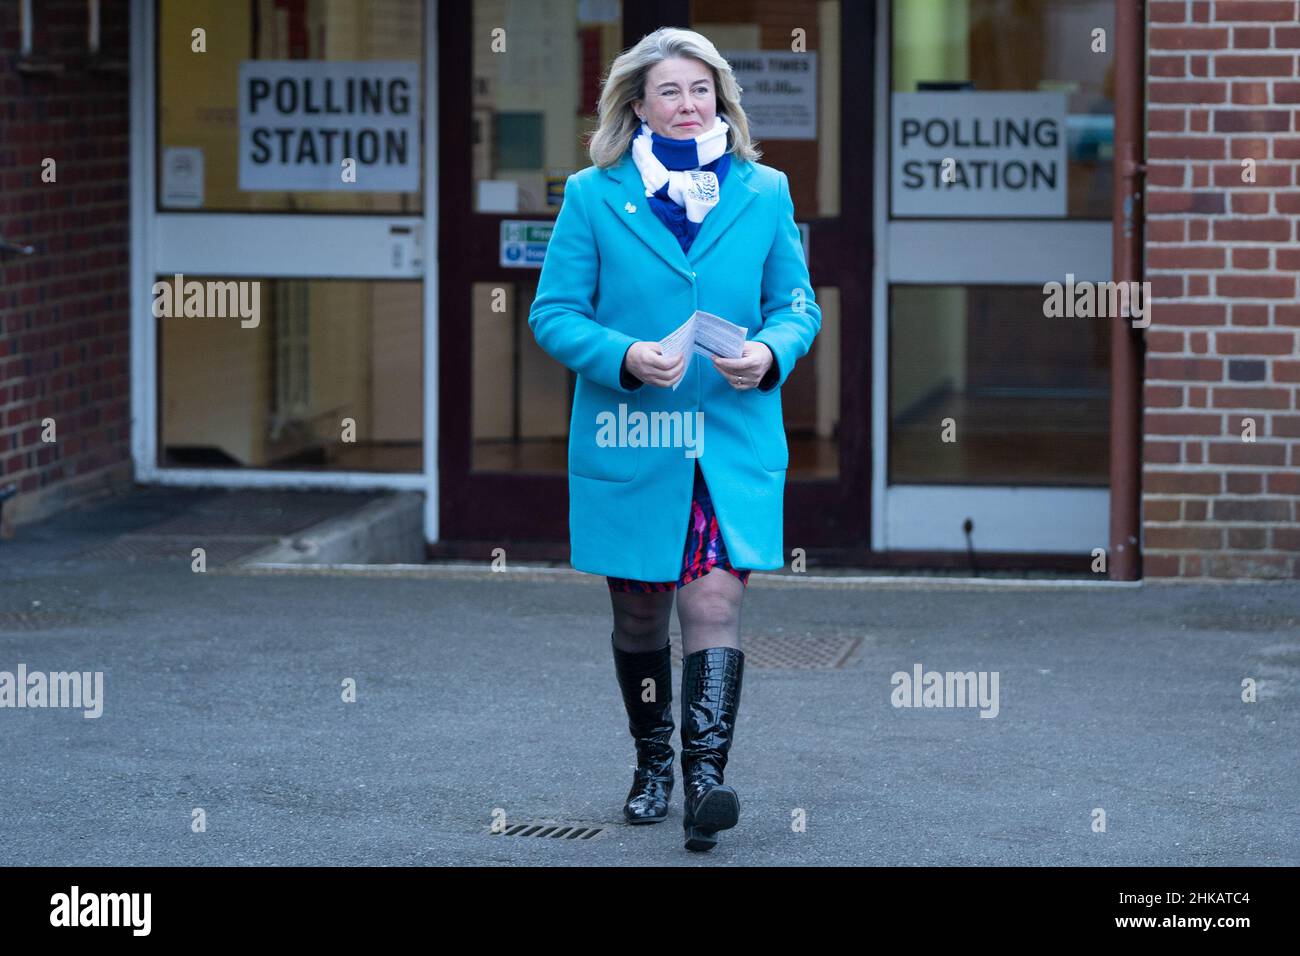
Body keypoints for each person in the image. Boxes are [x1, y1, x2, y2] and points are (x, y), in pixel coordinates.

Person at [527, 26, 820, 852]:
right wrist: (623, 355)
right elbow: (553, 314)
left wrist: (771, 352)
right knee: (640, 612)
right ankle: (653, 760)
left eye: (701, 90)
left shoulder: (765, 191)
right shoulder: (593, 194)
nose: (688, 106)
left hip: (728, 437)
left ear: (720, 97)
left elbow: (796, 303)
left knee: (715, 601)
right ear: (637, 104)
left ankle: (707, 782)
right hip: (634, 434)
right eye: (669, 92)